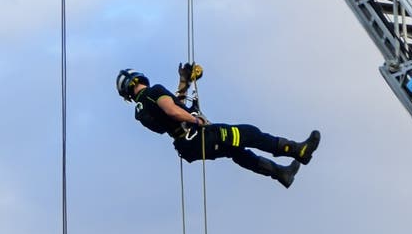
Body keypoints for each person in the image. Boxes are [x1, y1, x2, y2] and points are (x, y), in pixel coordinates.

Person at [116, 69, 320, 188]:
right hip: (198, 136)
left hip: (187, 146)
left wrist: (183, 84)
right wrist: (196, 121)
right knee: (248, 134)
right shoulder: (155, 91)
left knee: (236, 151)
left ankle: (281, 174)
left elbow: (170, 115)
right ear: (140, 78)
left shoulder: (141, 112)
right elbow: (172, 111)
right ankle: (296, 150)